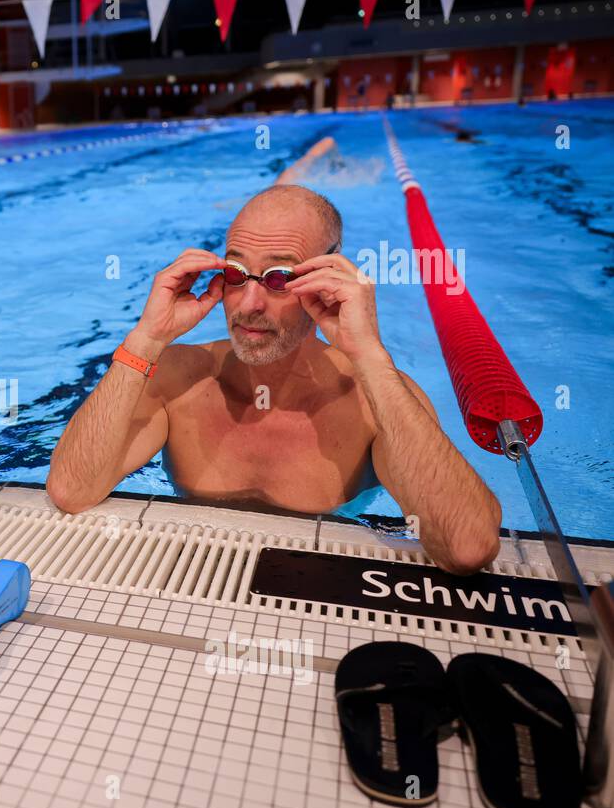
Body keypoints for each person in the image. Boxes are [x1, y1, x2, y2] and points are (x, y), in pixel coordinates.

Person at [45, 184, 502, 576]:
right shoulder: (178, 378)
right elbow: (72, 491)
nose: (249, 303)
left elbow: (465, 547)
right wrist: (145, 339)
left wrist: (368, 355)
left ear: (329, 276)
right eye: (236, 273)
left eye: (280, 277)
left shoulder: (374, 398)